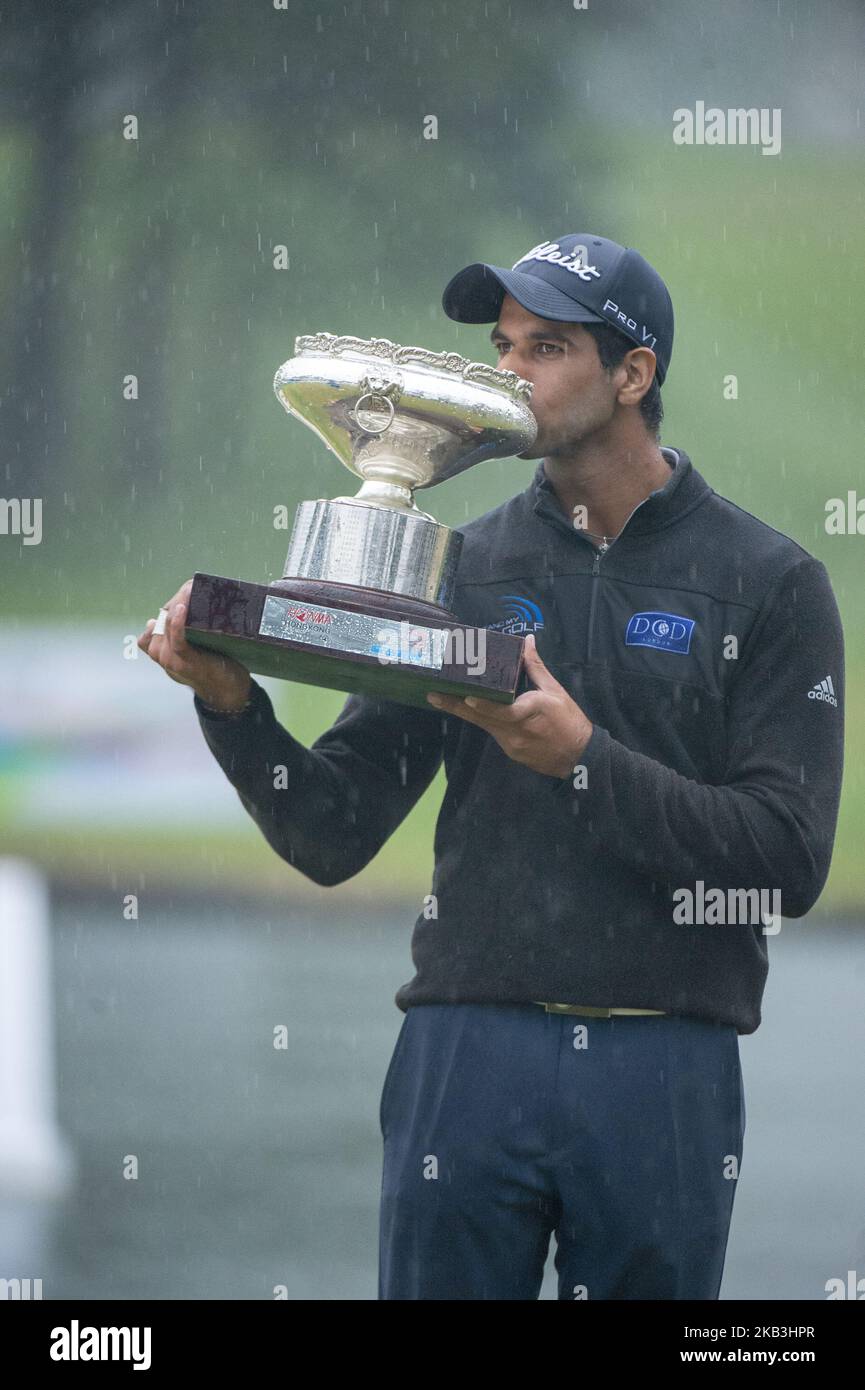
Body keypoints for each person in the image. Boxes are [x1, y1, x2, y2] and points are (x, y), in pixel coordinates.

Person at [138, 232, 845, 1300]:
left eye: (546, 348)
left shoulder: (773, 583)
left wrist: (582, 762)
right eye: (502, 344)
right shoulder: (458, 563)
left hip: (665, 1066)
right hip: (467, 1053)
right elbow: (332, 833)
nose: (506, 373)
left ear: (633, 375)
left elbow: (784, 862)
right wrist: (232, 706)